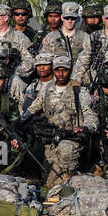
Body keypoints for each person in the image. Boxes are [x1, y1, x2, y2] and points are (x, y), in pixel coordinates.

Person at [23, 55, 97, 187]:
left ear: (70, 70)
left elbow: (90, 115)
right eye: (58, 70)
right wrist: (20, 122)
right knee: (51, 183)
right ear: (53, 70)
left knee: (66, 154)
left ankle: (75, 175)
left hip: (72, 139)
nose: (61, 74)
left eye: (65, 70)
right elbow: (33, 108)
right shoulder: (46, 89)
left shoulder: (79, 90)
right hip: (51, 139)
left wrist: (86, 127)